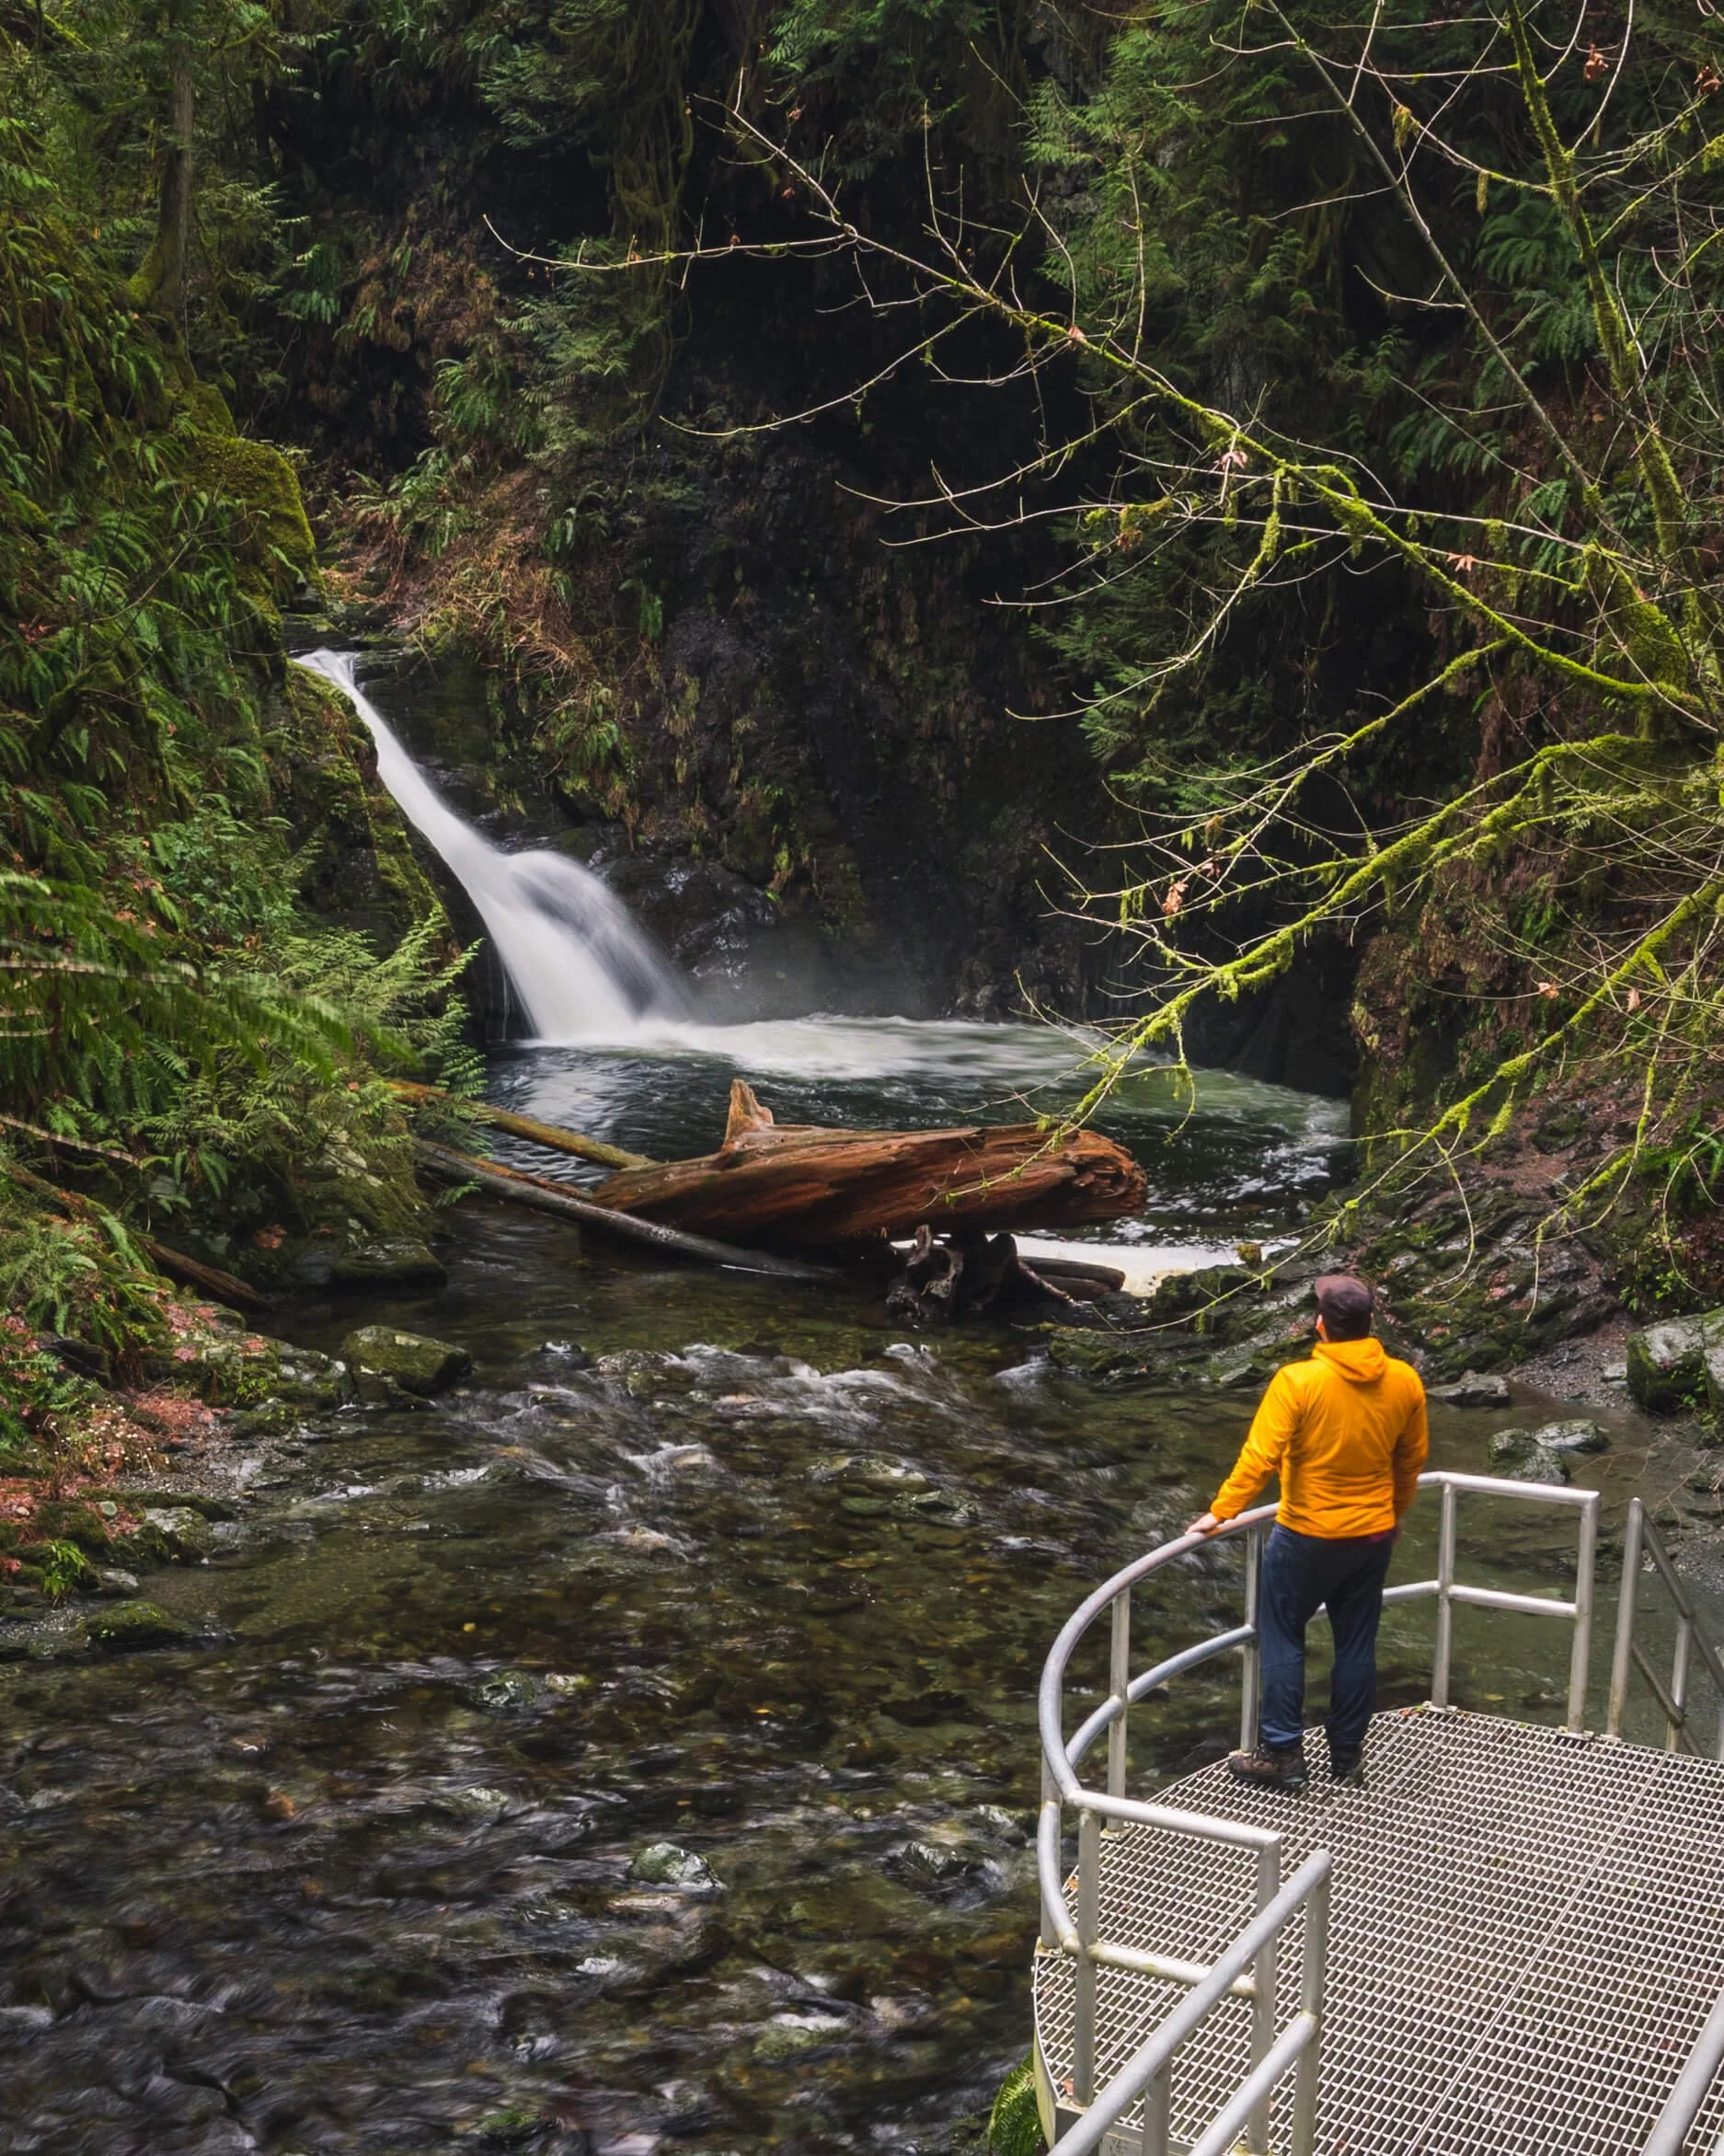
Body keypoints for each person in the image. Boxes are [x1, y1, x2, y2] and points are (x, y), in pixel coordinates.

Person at [1186, 1273, 1427, 1793]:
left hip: (1307, 1537)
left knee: (1283, 1633)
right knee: (1357, 1644)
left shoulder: (1298, 1382)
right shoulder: (1404, 1379)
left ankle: (1282, 1754)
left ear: (1321, 1325)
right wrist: (1395, 1514)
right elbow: (1410, 1462)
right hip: (1372, 1537)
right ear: (1368, 1325)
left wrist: (1221, 1512)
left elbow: (1260, 1458)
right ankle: (1346, 1757)